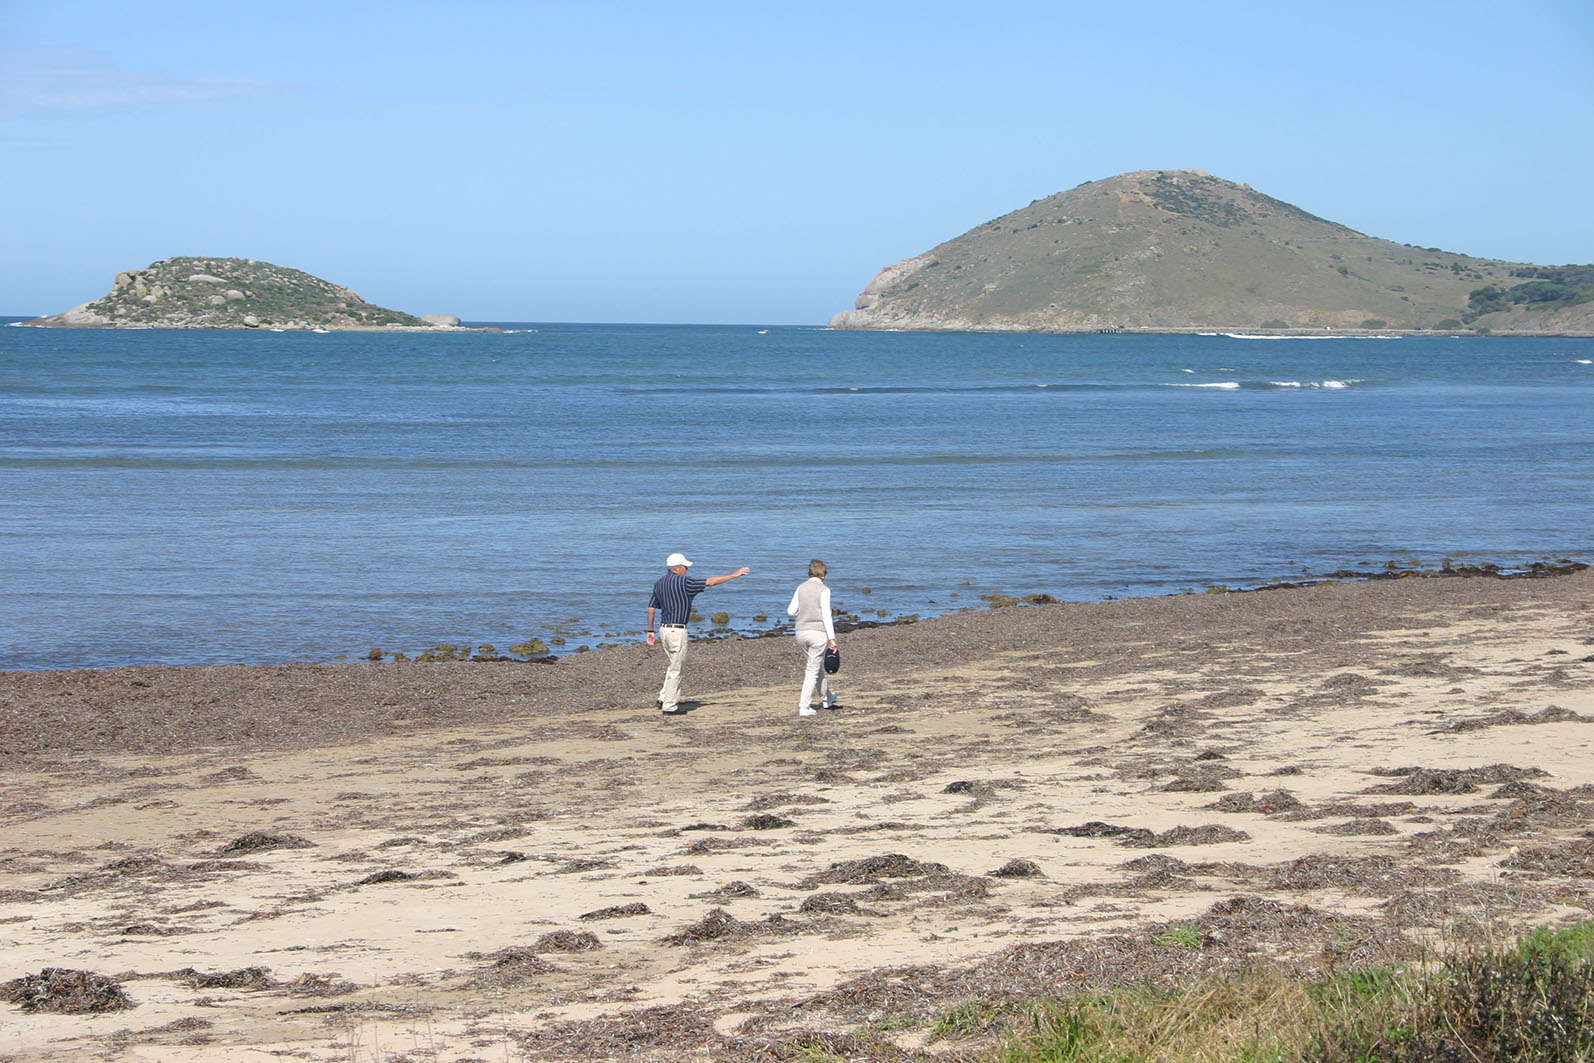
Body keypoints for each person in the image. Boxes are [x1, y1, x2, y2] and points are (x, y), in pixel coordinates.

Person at [645, 552, 750, 715]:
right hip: (677, 629)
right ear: (677, 568)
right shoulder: (684, 582)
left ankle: (663, 698)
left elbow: (651, 608)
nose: (686, 570)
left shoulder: (659, 583)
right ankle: (670, 706)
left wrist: (650, 630)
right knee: (676, 668)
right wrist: (733, 575)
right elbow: (709, 582)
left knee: (673, 664)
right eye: (685, 567)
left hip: (663, 629)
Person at [786, 559, 838, 717]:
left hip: (800, 632)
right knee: (812, 669)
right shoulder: (824, 590)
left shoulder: (800, 587)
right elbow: (826, 616)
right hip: (818, 633)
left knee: (814, 667)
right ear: (823, 574)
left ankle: (827, 697)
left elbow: (791, 611)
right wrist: (832, 638)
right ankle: (804, 706)